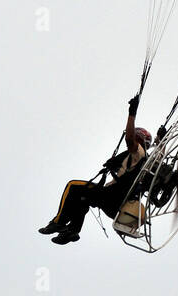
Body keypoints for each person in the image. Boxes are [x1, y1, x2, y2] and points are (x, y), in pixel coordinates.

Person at [38, 97, 151, 245]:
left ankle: (58, 222)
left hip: (113, 196)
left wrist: (132, 113)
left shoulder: (138, 152)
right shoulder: (137, 160)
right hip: (114, 202)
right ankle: (72, 230)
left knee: (73, 186)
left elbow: (130, 139)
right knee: (83, 198)